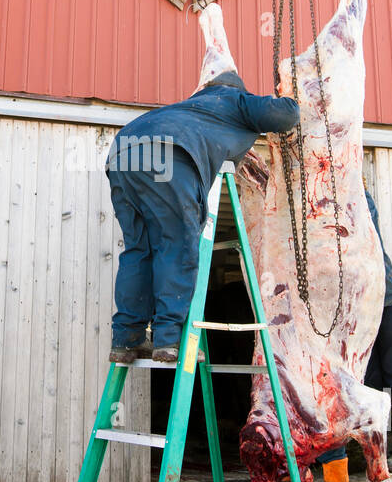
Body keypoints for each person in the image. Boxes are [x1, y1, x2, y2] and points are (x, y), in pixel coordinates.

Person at [106, 71, 299, 364]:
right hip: (169, 155)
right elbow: (285, 115)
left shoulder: (189, 108)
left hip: (121, 152)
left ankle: (126, 338)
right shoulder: (236, 101)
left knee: (138, 249)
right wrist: (295, 96)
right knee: (177, 244)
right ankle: (168, 338)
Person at [317, 186, 392, 482]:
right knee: (362, 385)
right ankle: (361, 465)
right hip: (353, 307)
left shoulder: (355, 196)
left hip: (382, 299)